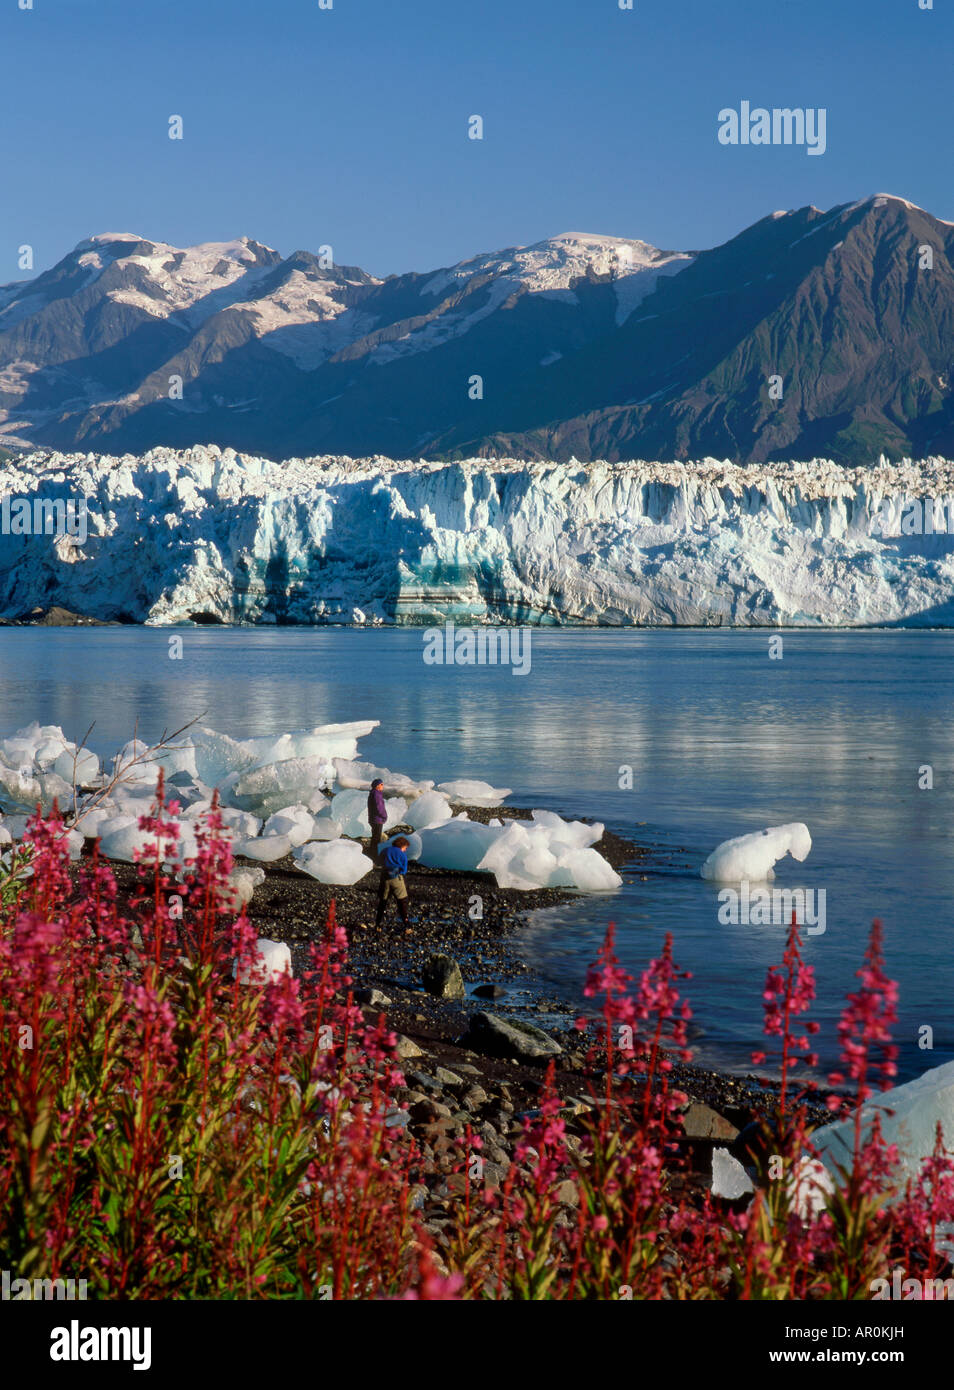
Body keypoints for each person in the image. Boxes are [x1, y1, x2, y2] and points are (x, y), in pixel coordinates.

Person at [375, 835, 412, 929]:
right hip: (396, 878)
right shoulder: (402, 854)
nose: (405, 850)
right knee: (402, 900)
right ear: (402, 845)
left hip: (384, 878)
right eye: (405, 848)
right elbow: (404, 869)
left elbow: (378, 862)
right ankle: (406, 924)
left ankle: (378, 924)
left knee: (383, 901)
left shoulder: (385, 850)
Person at [367, 778, 387, 860]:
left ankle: (372, 852)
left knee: (375, 836)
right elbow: (379, 807)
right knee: (376, 838)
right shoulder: (376, 794)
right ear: (377, 785)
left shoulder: (373, 793)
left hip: (373, 819)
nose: (383, 786)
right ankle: (374, 855)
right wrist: (384, 816)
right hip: (377, 819)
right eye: (382, 784)